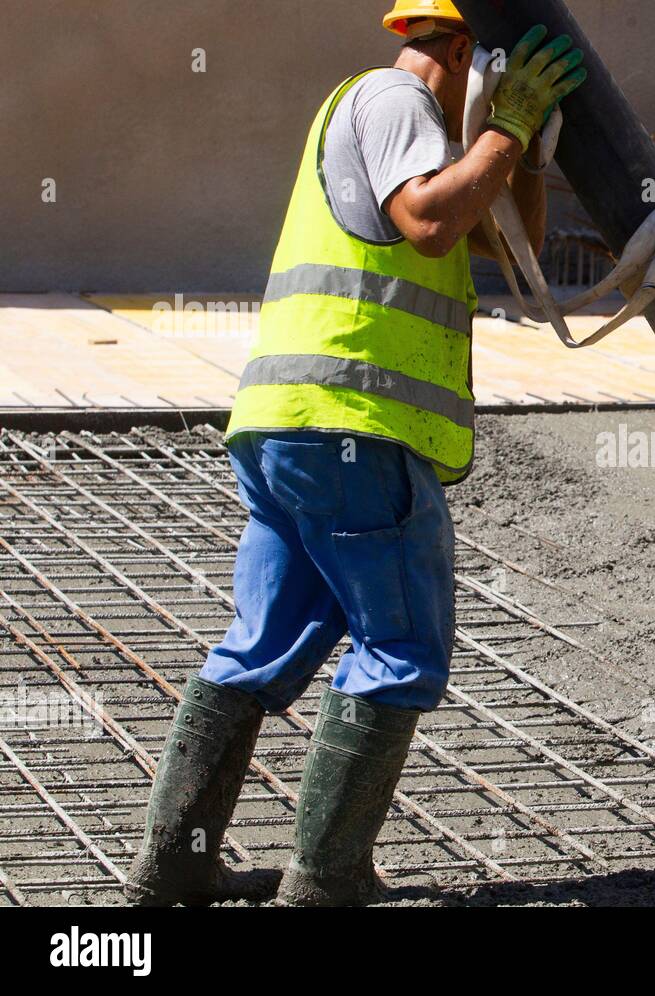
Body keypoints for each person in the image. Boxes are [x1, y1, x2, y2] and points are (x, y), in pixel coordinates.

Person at [125, 0, 586, 907]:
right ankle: (329, 877)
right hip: (353, 431)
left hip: (289, 429)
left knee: (257, 649)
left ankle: (173, 864)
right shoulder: (393, 100)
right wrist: (507, 124)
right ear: (463, 52)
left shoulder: (421, 130)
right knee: (401, 646)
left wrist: (522, 145)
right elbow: (429, 223)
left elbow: (513, 242)